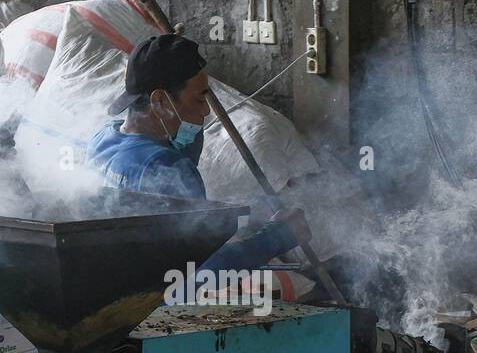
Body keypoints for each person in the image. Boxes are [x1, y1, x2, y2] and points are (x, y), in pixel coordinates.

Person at [86, 34, 311, 274]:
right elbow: (195, 274)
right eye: (199, 98)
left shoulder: (102, 139)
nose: (206, 111)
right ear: (160, 102)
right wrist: (275, 238)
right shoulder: (168, 168)